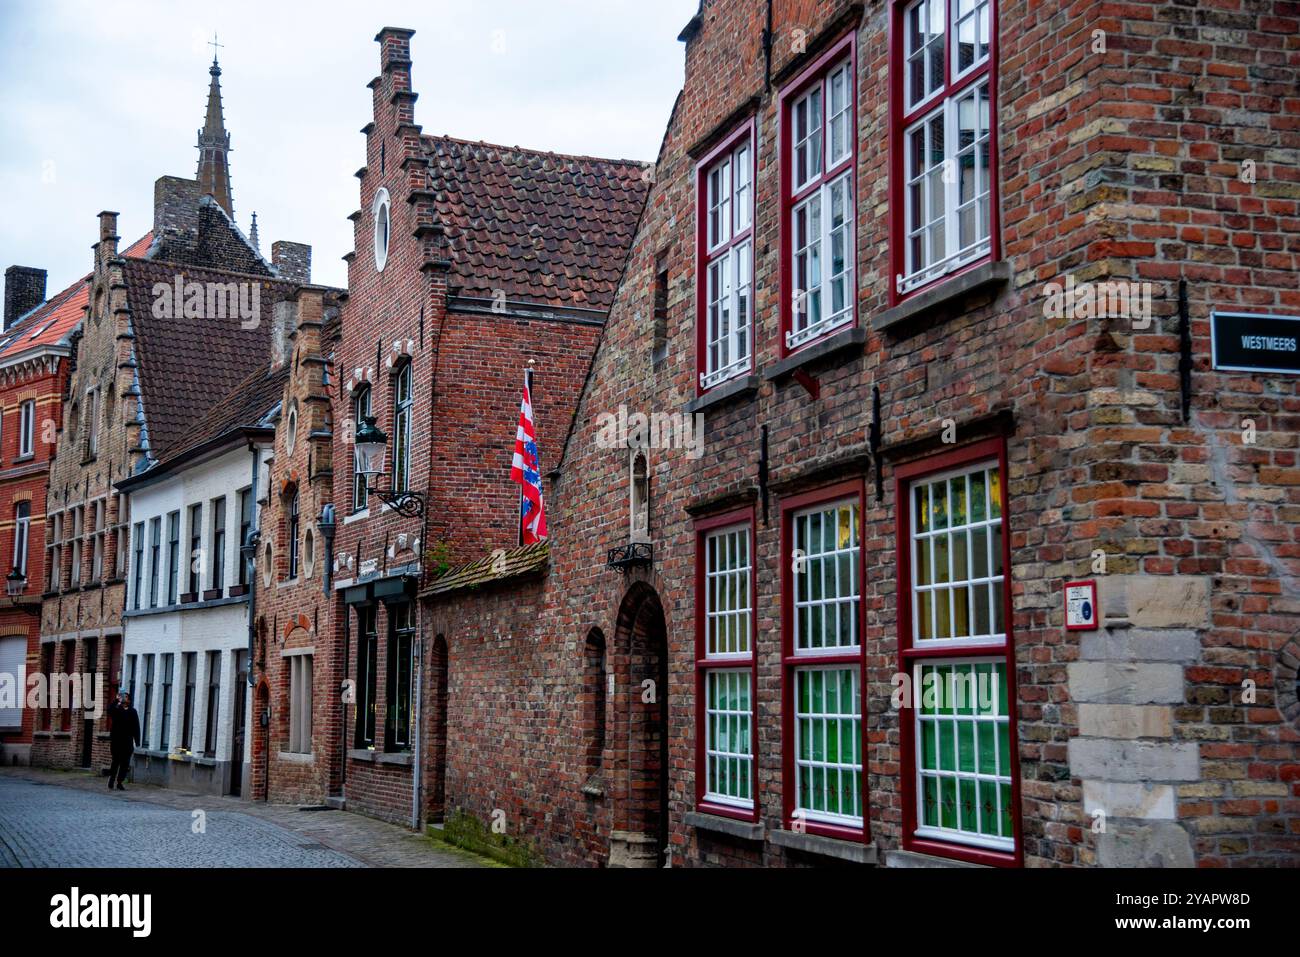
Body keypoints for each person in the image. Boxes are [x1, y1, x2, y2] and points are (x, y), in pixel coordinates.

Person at [106, 692, 140, 790]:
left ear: (129, 700)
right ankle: (112, 779)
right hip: (116, 740)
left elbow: (136, 726)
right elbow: (109, 711)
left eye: (125, 697)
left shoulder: (133, 711)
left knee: (125, 763)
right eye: (122, 696)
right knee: (115, 761)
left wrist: (137, 740)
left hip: (127, 740)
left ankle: (120, 781)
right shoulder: (117, 709)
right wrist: (117, 700)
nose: (124, 698)